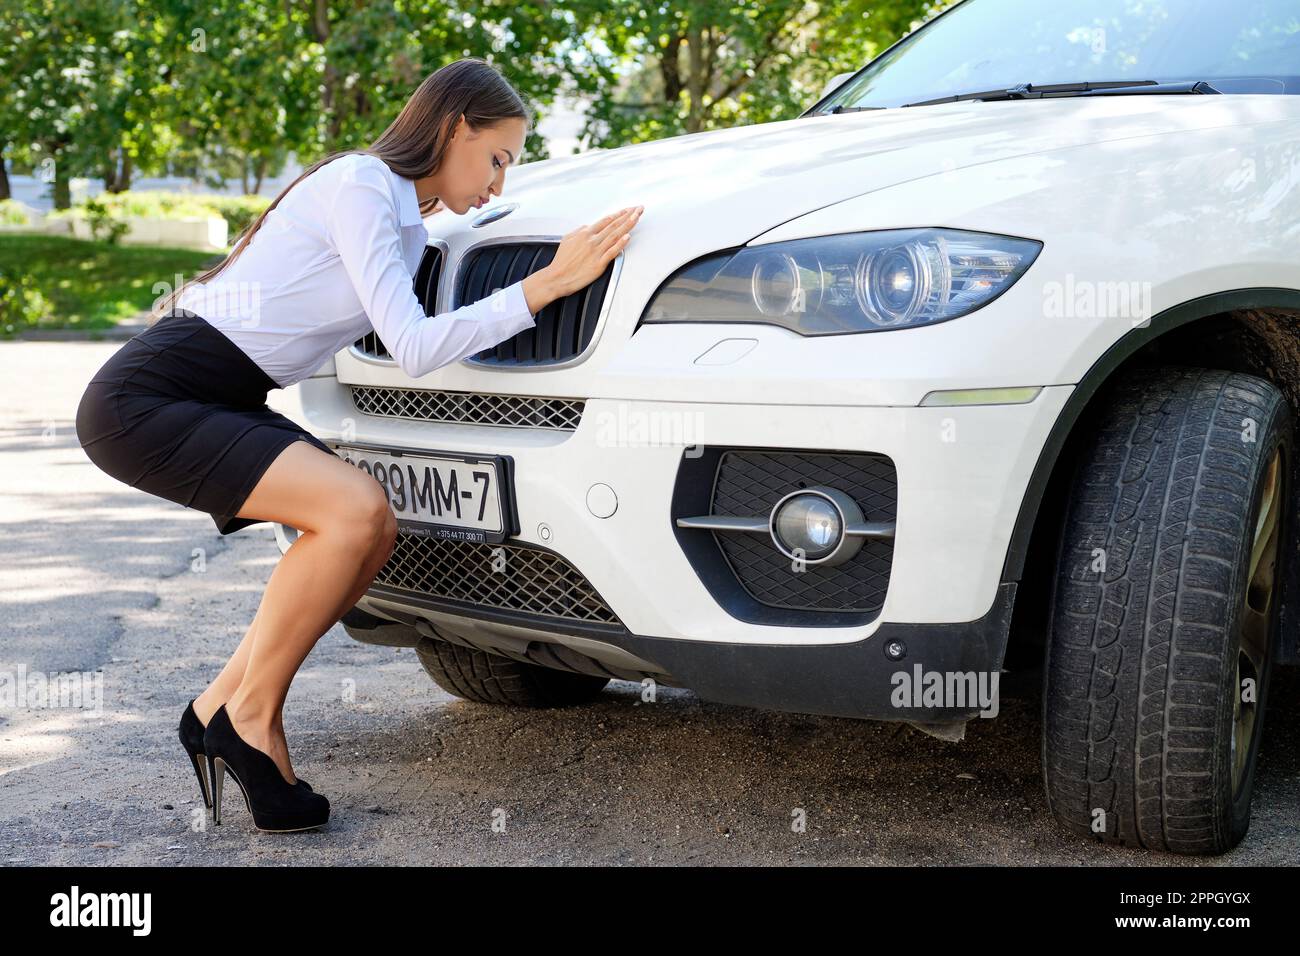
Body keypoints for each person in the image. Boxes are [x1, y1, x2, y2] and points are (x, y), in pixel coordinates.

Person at [73, 58, 644, 833]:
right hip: (150, 398)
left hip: (219, 391)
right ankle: (250, 719)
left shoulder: (403, 215)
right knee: (352, 511)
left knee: (369, 529)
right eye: (497, 158)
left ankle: (215, 709)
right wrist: (544, 285)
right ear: (454, 128)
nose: (498, 183)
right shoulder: (361, 184)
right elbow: (410, 342)